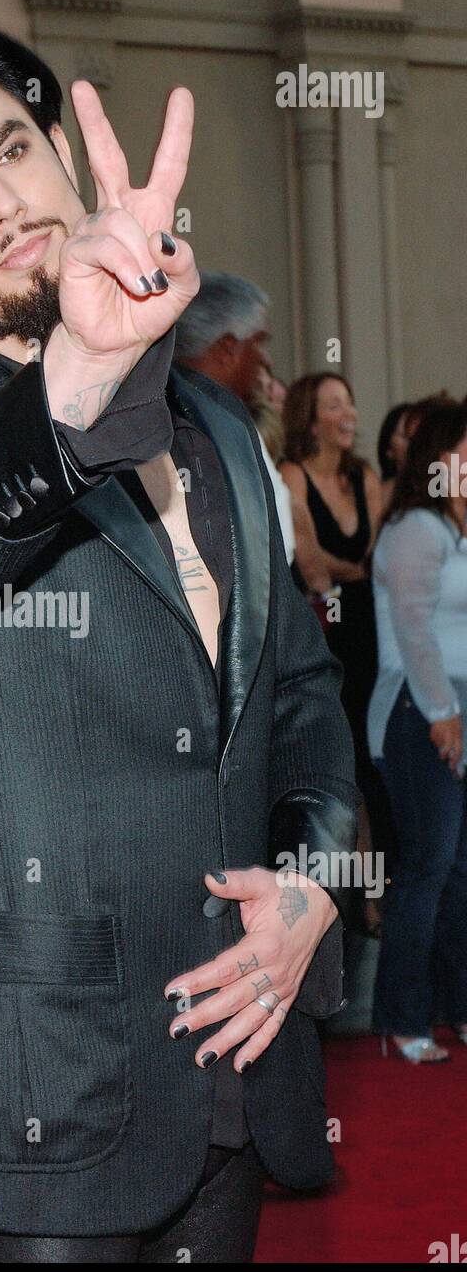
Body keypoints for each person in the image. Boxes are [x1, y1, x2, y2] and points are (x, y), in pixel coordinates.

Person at [0, 19, 358, 1263]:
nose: (3, 205)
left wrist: (312, 883)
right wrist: (79, 383)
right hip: (35, 1094)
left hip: (237, 1056)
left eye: (13, 149)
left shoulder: (216, 422)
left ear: (62, 150)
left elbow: (305, 697)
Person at [368, 401, 467, 1063]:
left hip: (453, 703)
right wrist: (442, 715)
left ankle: (456, 1010)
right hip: (417, 708)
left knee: (459, 870)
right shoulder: (416, 530)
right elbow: (413, 629)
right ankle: (403, 1021)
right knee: (427, 868)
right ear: (436, 460)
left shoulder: (456, 531)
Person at [280, 375, 390, 908]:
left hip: (369, 626)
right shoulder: (292, 474)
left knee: (373, 754)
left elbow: (373, 558)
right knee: (341, 756)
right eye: (333, 405)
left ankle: (375, 889)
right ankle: (354, 896)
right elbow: (311, 562)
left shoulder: (363, 476)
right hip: (324, 627)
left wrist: (349, 571)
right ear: (310, 418)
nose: (348, 413)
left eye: (349, 402)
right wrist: (351, 572)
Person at [171, 273, 332, 596]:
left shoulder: (230, 420)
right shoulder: (185, 427)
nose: (266, 358)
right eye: (259, 342)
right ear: (228, 348)